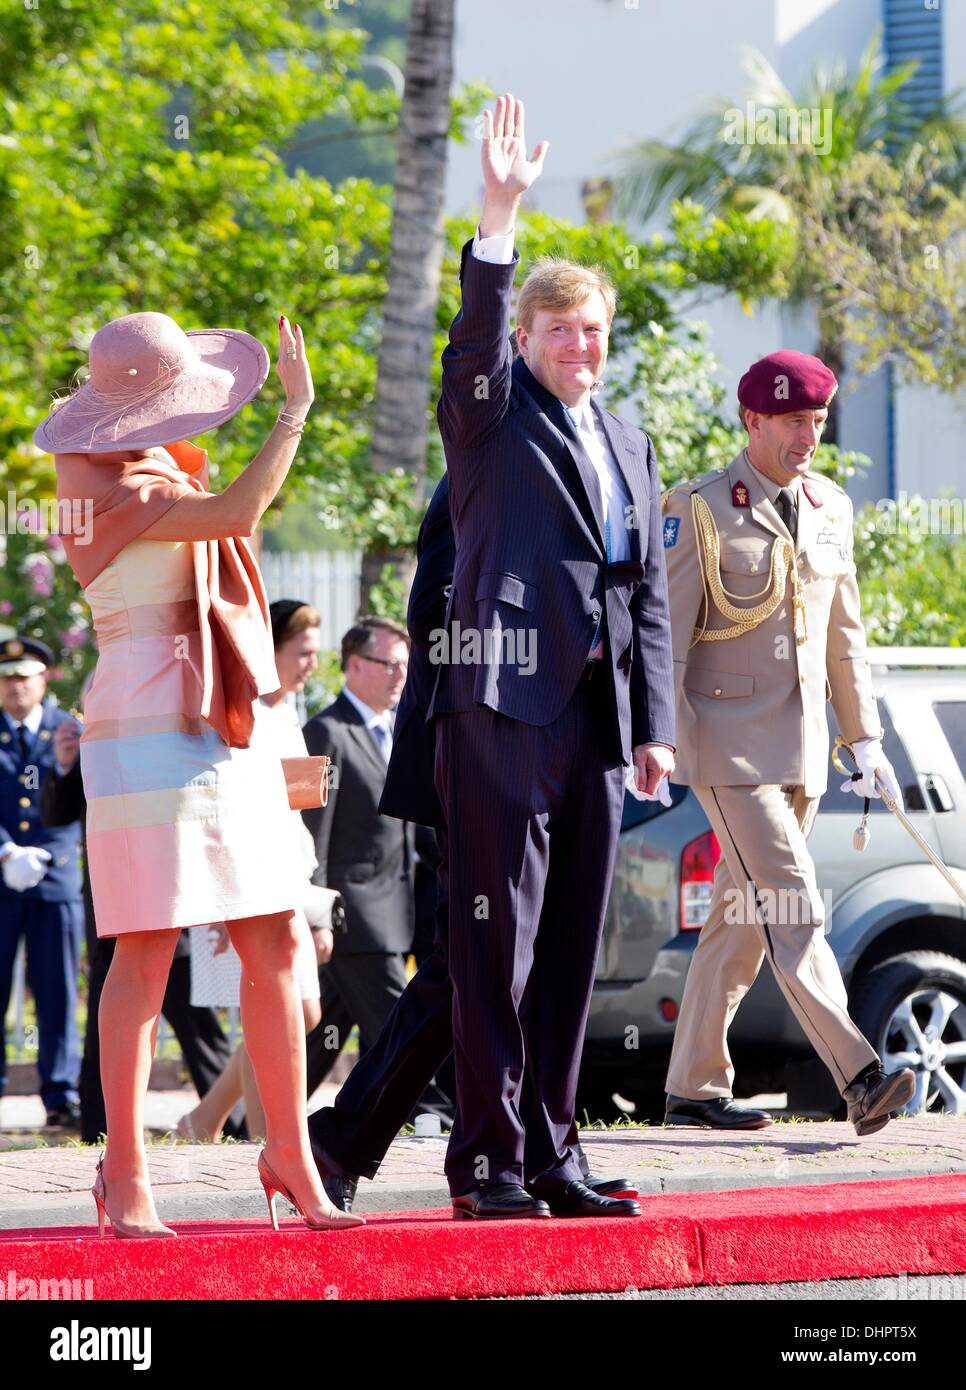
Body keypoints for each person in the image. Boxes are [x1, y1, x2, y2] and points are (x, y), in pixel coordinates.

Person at [36, 308, 361, 1235]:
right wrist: (293, 412)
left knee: (277, 939)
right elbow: (240, 513)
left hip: (230, 725)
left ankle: (290, 1156)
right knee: (145, 947)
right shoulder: (103, 483)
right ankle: (127, 1173)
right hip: (144, 728)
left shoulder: (154, 470)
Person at [426, 94, 675, 1220]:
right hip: (502, 704)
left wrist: (656, 722)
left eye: (595, 332)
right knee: (496, 945)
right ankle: (485, 1159)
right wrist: (498, 213)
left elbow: (650, 588)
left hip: (600, 722)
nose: (581, 347)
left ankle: (552, 1154)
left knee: (573, 944)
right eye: (561, 330)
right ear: (528, 339)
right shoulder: (488, 411)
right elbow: (470, 338)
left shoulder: (630, 439)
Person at [308, 473, 637, 1213]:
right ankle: (502, 1156)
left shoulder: (607, 459)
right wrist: (484, 723)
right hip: (495, 756)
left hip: (582, 743)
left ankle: (529, 1152)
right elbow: (434, 611)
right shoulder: (483, 462)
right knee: (474, 970)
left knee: (502, 968)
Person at [661, 349, 915, 1137]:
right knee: (792, 900)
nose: (808, 435)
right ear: (753, 421)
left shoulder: (831, 505)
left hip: (804, 746)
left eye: (817, 420)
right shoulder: (700, 505)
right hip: (725, 742)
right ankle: (859, 1074)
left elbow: (846, 635)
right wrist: (657, 736)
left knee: (740, 915)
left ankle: (692, 1089)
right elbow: (665, 636)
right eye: (793, 421)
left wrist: (864, 737)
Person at [39, 682, 244, 1145]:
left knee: (199, 1026)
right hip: (114, 908)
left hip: (174, 898)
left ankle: (232, 1127)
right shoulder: (95, 745)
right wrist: (66, 764)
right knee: (106, 1023)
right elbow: (57, 814)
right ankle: (100, 1133)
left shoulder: (167, 730)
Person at [178, 599, 338, 1141]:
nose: (311, 664)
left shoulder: (287, 713)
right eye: (302, 652)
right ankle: (266, 1141)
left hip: (286, 875)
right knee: (277, 1010)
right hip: (245, 878)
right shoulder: (237, 710)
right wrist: (222, 904)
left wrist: (314, 906)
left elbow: (293, 809)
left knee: (304, 1012)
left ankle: (207, 1119)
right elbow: (217, 807)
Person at [302, 617, 450, 1121]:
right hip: (354, 912)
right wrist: (316, 912)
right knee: (398, 1022)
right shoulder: (326, 731)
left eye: (406, 666)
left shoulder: (397, 729)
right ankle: (433, 1114)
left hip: (398, 908)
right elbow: (312, 832)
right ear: (355, 665)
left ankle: (247, 1123)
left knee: (322, 1034)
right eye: (389, 665)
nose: (400, 676)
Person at [0, 636, 84, 1128]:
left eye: (25, 676)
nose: (16, 686)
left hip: (55, 879)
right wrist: (7, 849)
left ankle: (61, 1093)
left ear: (43, 679)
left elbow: (78, 799)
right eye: (8, 678)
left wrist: (48, 854)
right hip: (2, 874)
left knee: (56, 989)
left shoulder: (66, 729)